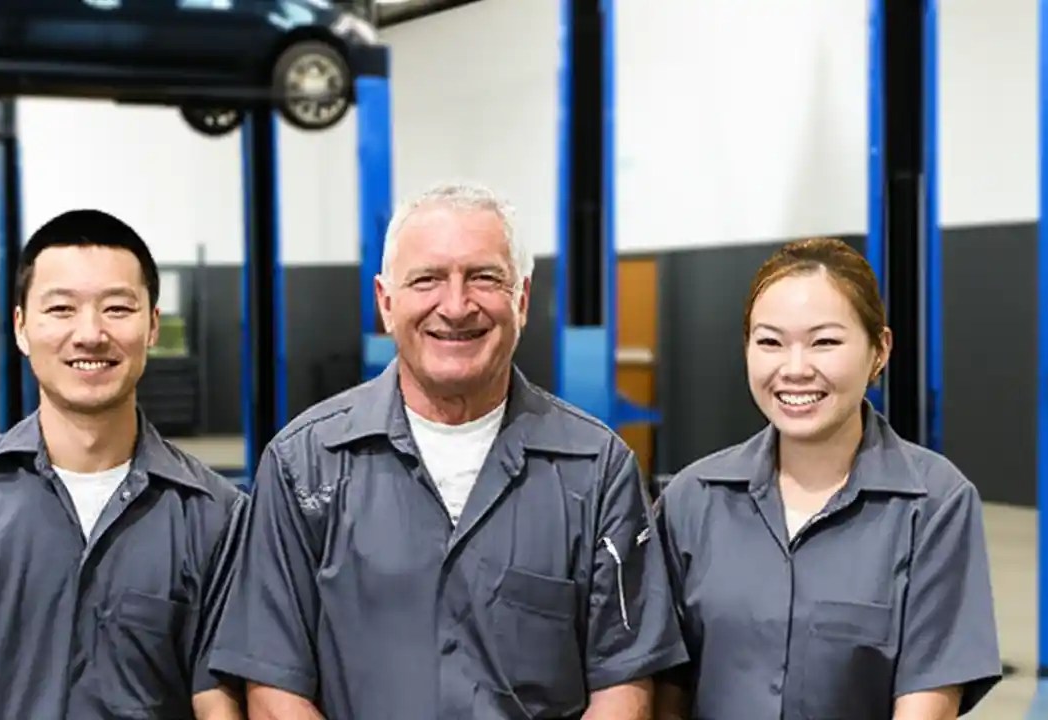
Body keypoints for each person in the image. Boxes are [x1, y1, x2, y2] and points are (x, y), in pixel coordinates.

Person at [207, 182, 688, 719]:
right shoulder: (303, 466)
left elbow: (624, 687)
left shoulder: (597, 470)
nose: (456, 306)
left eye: (484, 278)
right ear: (386, 304)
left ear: (522, 300)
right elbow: (274, 689)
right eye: (427, 279)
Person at [0, 209, 246, 719]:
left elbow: (218, 709)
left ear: (152, 326)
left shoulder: (218, 517)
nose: (90, 334)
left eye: (117, 309)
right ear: (21, 328)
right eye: (61, 309)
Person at [652, 238, 1003, 719]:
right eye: (770, 341)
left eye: (825, 341)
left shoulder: (936, 504)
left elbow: (930, 699)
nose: (795, 369)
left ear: (879, 350)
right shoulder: (691, 500)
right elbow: (667, 690)